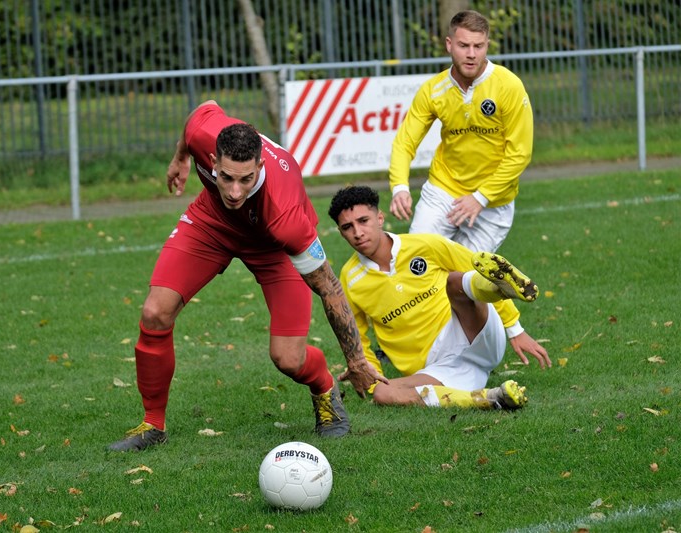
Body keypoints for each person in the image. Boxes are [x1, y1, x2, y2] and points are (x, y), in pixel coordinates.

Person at [108, 101, 387, 452]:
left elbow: (329, 288)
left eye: (246, 179)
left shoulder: (286, 217)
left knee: (288, 358)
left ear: (260, 166)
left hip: (273, 245)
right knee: (154, 312)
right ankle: (153, 425)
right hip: (212, 223)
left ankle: (324, 388)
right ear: (213, 160)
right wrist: (180, 157)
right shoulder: (201, 134)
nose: (235, 192)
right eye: (226, 177)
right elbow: (202, 111)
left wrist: (357, 361)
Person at [328, 186, 550, 408]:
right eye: (348, 227)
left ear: (379, 218)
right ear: (341, 232)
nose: (357, 232)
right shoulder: (350, 279)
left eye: (363, 221)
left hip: (474, 330)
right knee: (382, 393)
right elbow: (357, 337)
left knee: (455, 281)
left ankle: (498, 288)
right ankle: (491, 398)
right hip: (438, 368)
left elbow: (476, 266)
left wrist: (515, 329)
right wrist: (368, 375)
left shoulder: (424, 245)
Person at [388, 10, 533, 253]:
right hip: (443, 189)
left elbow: (520, 154)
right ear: (449, 44)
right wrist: (400, 187)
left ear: (487, 46)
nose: (471, 54)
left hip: (493, 201)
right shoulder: (433, 90)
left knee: (464, 273)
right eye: (464, 45)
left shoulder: (509, 86)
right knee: (417, 260)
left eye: (479, 46)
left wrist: (481, 197)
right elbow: (405, 142)